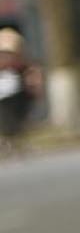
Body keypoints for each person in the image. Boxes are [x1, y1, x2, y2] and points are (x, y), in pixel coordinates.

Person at [0, 25, 41, 155]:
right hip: (5, 94)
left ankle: (16, 143)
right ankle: (8, 143)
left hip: (17, 93)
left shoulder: (19, 59)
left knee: (18, 117)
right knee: (7, 118)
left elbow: (27, 69)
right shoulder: (7, 59)